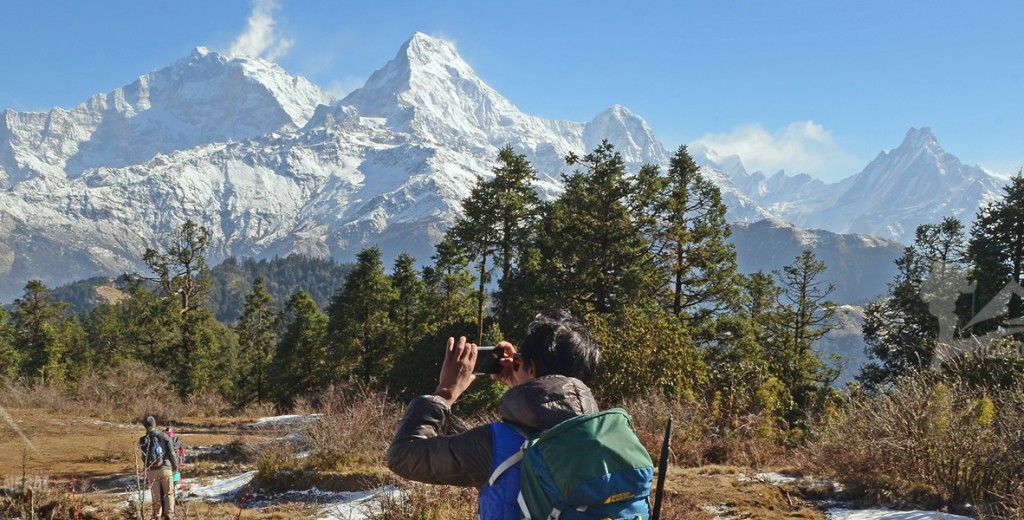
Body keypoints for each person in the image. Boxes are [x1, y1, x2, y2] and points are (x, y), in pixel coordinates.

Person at [386, 309, 601, 519]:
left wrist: (445, 392)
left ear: (532, 369)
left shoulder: (495, 445)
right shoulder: (607, 439)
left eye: (520, 362)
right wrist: (523, 389)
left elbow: (403, 456)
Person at [141, 416, 180, 520]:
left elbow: (143, 457)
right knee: (169, 494)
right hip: (165, 469)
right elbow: (171, 453)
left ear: (144, 426)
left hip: (151, 471)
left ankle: (157, 516)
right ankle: (169, 515)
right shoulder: (163, 436)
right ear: (155, 424)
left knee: (155, 497)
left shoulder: (143, 440)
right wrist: (175, 466)